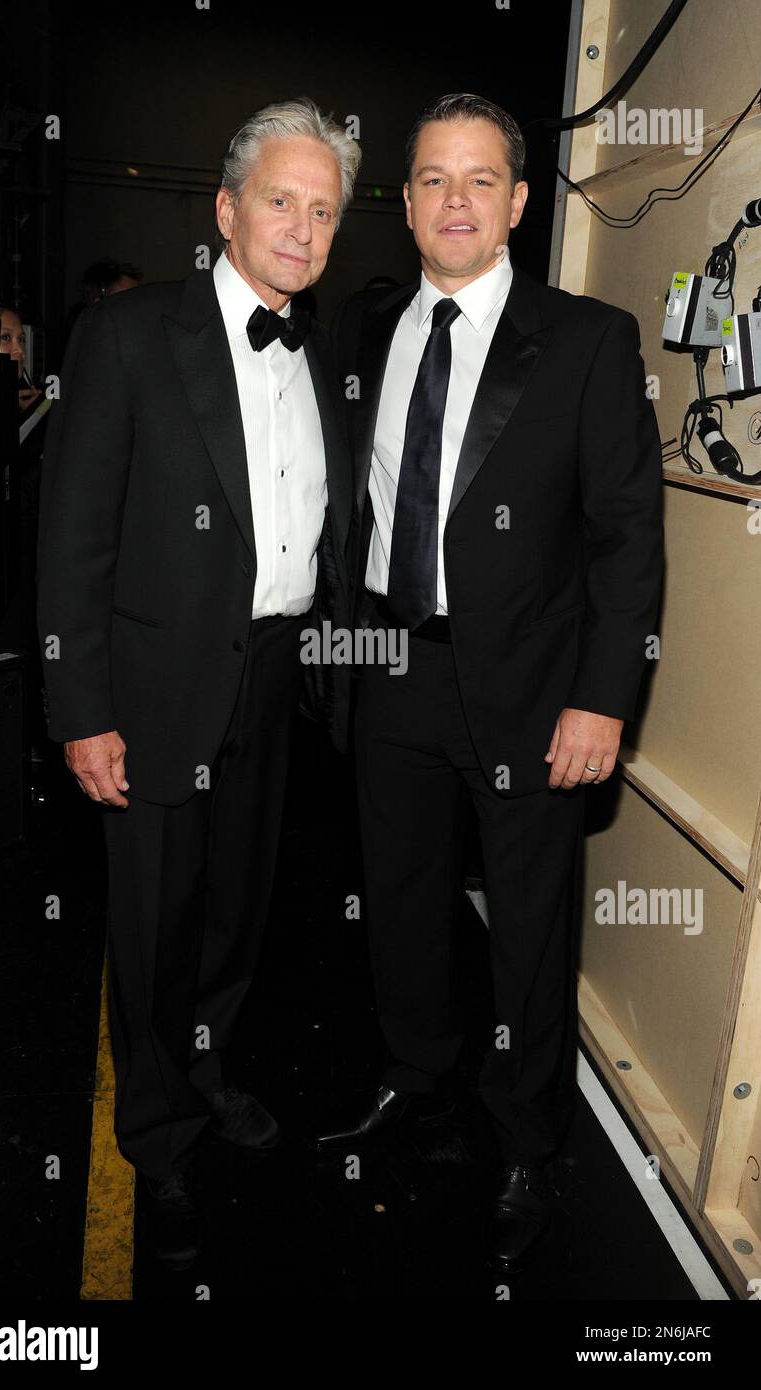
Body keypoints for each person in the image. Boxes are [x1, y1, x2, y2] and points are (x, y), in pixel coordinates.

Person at [318, 93, 664, 1269]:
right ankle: (415, 1080)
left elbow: (626, 537)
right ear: (406, 202)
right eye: (430, 179)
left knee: (526, 926)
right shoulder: (365, 328)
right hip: (386, 664)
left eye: (478, 180)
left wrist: (604, 694)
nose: (453, 200)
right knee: (401, 900)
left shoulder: (587, 340)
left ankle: (527, 1138)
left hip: (532, 686)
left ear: (518, 202)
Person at [36, 97, 361, 1271]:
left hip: (270, 681)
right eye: (280, 199)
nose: (301, 225)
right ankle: (158, 1133)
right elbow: (70, 541)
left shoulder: (323, 350)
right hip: (154, 684)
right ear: (226, 209)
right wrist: (82, 712)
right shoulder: (130, 338)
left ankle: (210, 1072)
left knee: (236, 915)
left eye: (322, 209)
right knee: (155, 927)